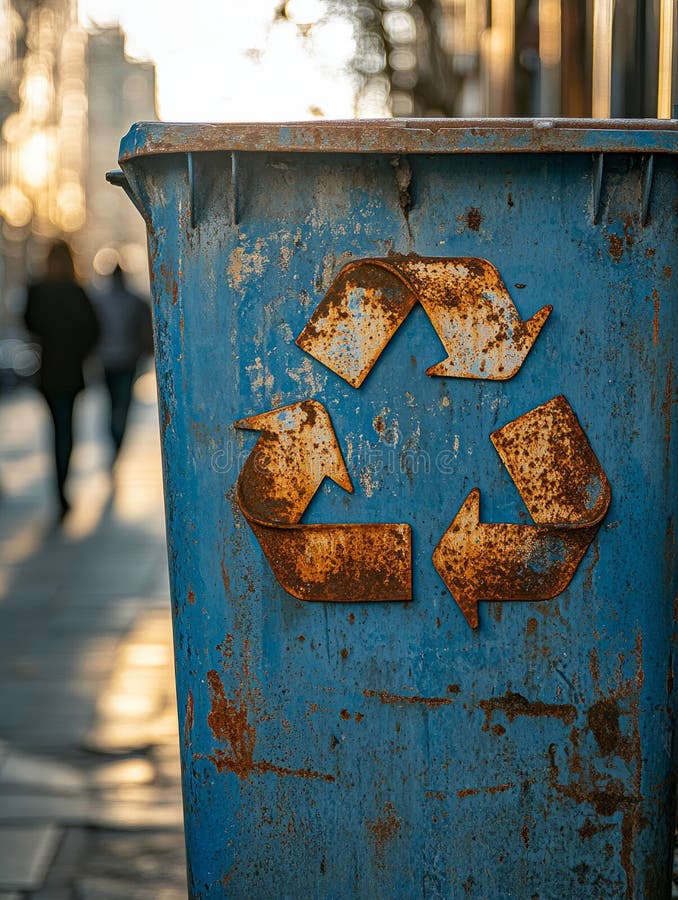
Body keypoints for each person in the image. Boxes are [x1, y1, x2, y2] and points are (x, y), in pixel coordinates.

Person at [24, 241, 100, 519]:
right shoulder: (77, 292)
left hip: (48, 373)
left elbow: (29, 324)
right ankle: (62, 486)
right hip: (71, 372)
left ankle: (59, 489)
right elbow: (94, 330)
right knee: (67, 430)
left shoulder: (38, 291)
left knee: (55, 429)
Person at [91, 263, 152, 465]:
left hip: (107, 359)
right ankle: (117, 439)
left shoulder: (99, 300)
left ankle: (114, 437)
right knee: (123, 403)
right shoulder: (134, 300)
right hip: (127, 358)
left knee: (111, 402)